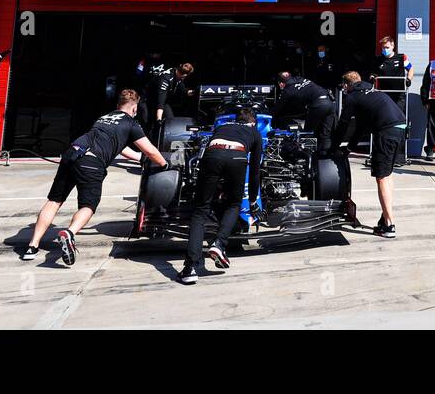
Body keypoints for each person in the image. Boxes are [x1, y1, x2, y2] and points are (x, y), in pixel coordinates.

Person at [22, 89, 167, 263]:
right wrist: (165, 164)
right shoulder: (131, 123)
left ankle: (32, 246)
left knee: (54, 201)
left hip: (71, 153)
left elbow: (117, 145)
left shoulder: (104, 118)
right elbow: (150, 150)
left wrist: (139, 158)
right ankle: (69, 233)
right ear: (135, 108)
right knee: (88, 206)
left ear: (117, 105)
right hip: (91, 162)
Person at [178, 102, 264, 284]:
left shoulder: (222, 127)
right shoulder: (255, 133)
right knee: (234, 204)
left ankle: (189, 268)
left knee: (200, 210)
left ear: (237, 120)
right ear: (253, 123)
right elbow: (255, 171)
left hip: (212, 155)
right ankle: (219, 244)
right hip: (238, 156)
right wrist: (254, 199)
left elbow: (214, 157)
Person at [332, 72, 406, 237]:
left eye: (343, 86)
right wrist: (350, 148)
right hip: (401, 127)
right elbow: (361, 127)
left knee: (381, 178)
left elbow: (344, 123)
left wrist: (333, 147)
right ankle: (384, 217)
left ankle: (389, 225)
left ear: (346, 85)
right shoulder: (372, 91)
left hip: (386, 131)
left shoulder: (353, 97)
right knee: (387, 175)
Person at [275, 71, 337, 154]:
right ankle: (326, 156)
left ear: (281, 84)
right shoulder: (300, 79)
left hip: (318, 106)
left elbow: (278, 108)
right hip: (330, 103)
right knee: (326, 134)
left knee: (308, 133)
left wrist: (268, 114)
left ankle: (307, 156)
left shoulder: (288, 91)